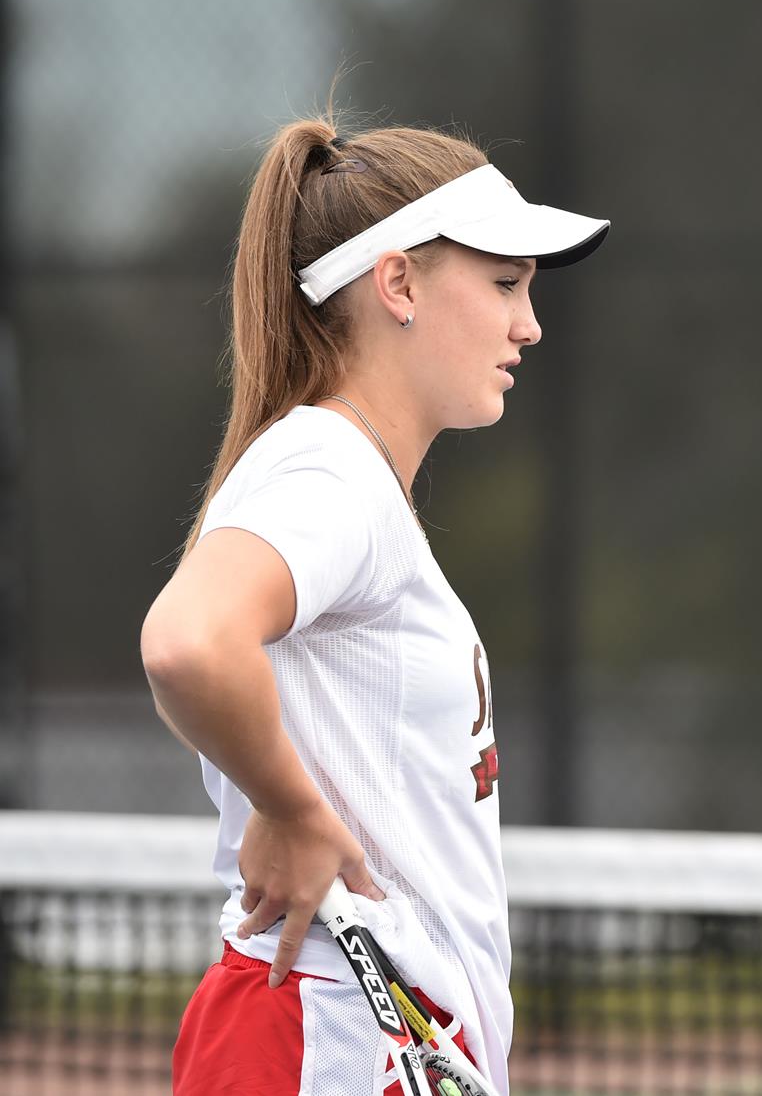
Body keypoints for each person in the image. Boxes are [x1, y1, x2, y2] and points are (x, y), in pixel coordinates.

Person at [139, 118, 607, 1094]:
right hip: (323, 1032)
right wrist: (290, 808)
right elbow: (188, 641)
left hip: (365, 1034)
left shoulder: (344, 478)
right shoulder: (330, 467)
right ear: (396, 285)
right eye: (503, 284)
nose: (529, 324)